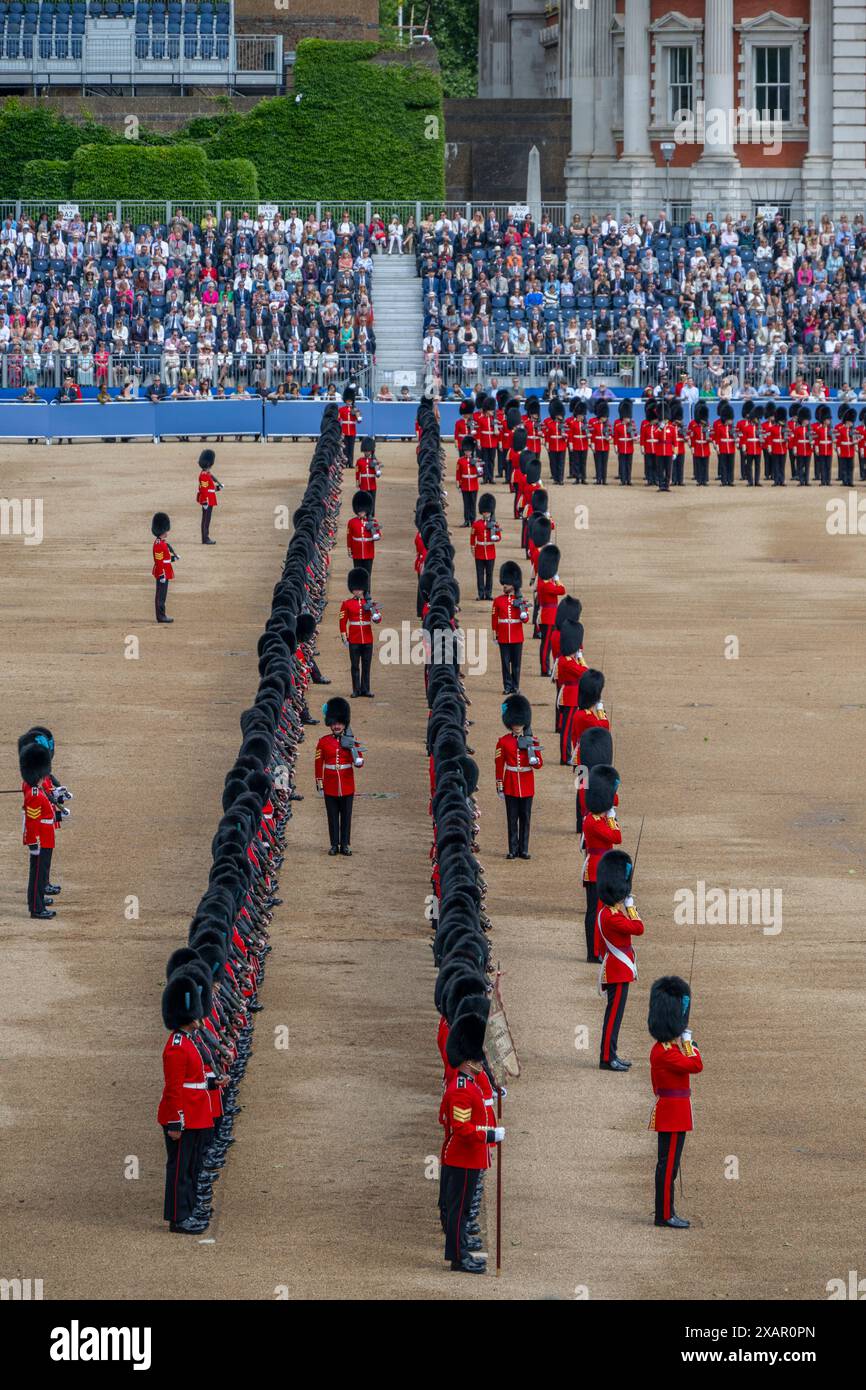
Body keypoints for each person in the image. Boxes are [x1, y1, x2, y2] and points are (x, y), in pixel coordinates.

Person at [439, 1008, 504, 1274]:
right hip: (463, 1158)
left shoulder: (469, 1084)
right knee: (459, 1211)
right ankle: (458, 1257)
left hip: (469, 1158)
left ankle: (463, 1249)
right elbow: (462, 1129)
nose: (480, 1061)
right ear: (468, 1061)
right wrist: (491, 1135)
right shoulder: (462, 1090)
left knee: (463, 1211)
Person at [158, 971, 215, 1234]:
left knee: (190, 1167)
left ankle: (189, 1210)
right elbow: (173, 1087)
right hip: (183, 1117)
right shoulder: (177, 1046)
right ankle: (178, 1219)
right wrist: (175, 1120)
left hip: (196, 1113)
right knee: (180, 1169)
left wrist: (214, 1082)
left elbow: (194, 1077)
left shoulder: (187, 1041)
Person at [648, 975, 703, 1229]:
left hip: (674, 1111)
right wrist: (689, 1042)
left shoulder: (665, 1049)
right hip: (672, 1113)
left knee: (670, 1165)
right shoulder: (666, 1053)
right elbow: (696, 1065)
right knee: (668, 1166)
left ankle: (666, 1211)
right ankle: (664, 1214)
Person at [596, 845, 643, 1070]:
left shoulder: (609, 912)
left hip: (618, 968)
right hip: (617, 970)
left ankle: (610, 1054)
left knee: (615, 1017)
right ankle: (607, 1058)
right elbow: (638, 928)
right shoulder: (612, 916)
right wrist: (632, 908)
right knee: (613, 1017)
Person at [314, 697, 364, 856]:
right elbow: (318, 764)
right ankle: (334, 844)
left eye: (339, 723)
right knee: (332, 816)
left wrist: (357, 759)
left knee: (346, 816)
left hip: (347, 784)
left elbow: (359, 761)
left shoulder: (351, 740)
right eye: (334, 723)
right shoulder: (323, 742)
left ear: (344, 723)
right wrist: (320, 785)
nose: (336, 726)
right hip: (330, 784)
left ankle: (345, 844)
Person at [495, 693, 542, 860]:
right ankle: (512, 849)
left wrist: (533, 756)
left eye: (520, 723)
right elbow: (499, 765)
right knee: (512, 818)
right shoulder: (503, 741)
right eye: (514, 723)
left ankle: (524, 849)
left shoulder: (532, 740)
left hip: (527, 782)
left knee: (525, 818)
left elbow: (539, 764)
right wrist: (500, 786)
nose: (517, 726)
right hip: (511, 783)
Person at [19, 740, 57, 920]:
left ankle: (39, 902)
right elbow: (33, 821)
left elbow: (46, 815)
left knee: (40, 873)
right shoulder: (35, 794)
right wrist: (33, 842)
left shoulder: (38, 790)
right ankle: (36, 908)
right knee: (37, 875)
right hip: (41, 840)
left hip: (46, 837)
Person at [339, 567, 381, 698]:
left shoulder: (369, 603)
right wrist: (344, 637)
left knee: (366, 666)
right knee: (355, 666)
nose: (357, 591)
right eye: (355, 589)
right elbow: (342, 622)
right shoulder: (347, 603)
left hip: (367, 638)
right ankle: (356, 689)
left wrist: (375, 615)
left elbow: (378, 619)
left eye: (359, 589)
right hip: (354, 638)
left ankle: (366, 689)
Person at [491, 560, 529, 694]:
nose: (504, 586)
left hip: (517, 635)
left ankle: (515, 686)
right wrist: (495, 634)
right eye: (504, 583)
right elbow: (494, 618)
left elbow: (525, 619)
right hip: (503, 636)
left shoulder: (520, 600)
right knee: (505, 664)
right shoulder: (498, 600)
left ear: (513, 584)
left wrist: (523, 613)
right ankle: (507, 686)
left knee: (517, 664)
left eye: (506, 583)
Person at [535, 544, 565, 677]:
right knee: (546, 645)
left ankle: (547, 667)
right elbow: (562, 590)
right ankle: (544, 668)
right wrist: (557, 579)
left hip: (549, 615)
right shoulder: (546, 584)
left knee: (548, 645)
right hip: (548, 616)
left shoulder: (544, 580)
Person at [470, 492, 499, 601]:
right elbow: (473, 537)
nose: (486, 513)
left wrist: (496, 537)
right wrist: (473, 547)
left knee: (489, 574)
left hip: (490, 551)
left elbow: (499, 536)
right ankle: (481, 593)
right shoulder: (477, 524)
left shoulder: (494, 524)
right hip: (480, 551)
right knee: (480, 574)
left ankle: (488, 593)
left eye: (488, 512)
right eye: (485, 512)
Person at [346, 489, 380, 584]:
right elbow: (349, 538)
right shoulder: (352, 522)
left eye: (363, 511)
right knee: (358, 575)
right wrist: (350, 550)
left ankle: (367, 593)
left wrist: (373, 531)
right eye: (359, 511)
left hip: (368, 552)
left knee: (368, 575)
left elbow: (378, 535)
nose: (361, 512)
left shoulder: (373, 522)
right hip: (357, 552)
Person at [151, 511, 175, 624]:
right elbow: (159, 561)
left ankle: (162, 614)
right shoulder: (159, 544)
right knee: (161, 595)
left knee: (162, 595)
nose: (167, 533)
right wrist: (161, 574)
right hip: (163, 572)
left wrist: (173, 559)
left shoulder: (161, 543)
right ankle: (161, 616)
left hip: (165, 570)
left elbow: (165, 559)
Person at [196, 447, 222, 544]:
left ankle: (206, 537)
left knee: (207, 519)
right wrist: (204, 501)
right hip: (207, 500)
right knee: (206, 520)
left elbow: (210, 489)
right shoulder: (203, 475)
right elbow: (203, 490)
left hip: (210, 499)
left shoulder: (206, 474)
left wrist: (218, 488)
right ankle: (205, 538)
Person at [456, 434, 482, 527]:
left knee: (473, 503)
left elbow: (480, 474)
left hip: (474, 485)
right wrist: (459, 485)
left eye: (469, 451)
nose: (468, 452)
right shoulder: (460, 461)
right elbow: (458, 474)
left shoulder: (475, 460)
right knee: (466, 504)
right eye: (466, 451)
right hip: (465, 485)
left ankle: (473, 520)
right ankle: (467, 520)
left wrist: (477, 466)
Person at [543, 397, 568, 485]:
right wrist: (547, 444)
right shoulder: (549, 422)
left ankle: (560, 479)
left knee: (561, 462)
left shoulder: (564, 423)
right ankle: (555, 478)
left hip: (561, 444)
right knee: (553, 462)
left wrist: (565, 436)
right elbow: (546, 435)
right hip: (552, 444)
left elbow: (569, 433)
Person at [355, 435, 380, 514]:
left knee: (372, 500)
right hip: (364, 484)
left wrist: (377, 469)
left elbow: (378, 473)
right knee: (364, 501)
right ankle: (365, 513)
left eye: (368, 451)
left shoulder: (374, 460)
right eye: (365, 451)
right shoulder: (359, 461)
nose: (367, 452)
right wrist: (357, 481)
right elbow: (357, 472)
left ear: (371, 451)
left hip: (372, 484)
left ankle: (371, 514)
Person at [566, 398, 589, 484]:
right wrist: (571, 444)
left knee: (583, 462)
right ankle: (577, 478)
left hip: (584, 445)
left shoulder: (585, 424)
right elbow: (570, 435)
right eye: (579, 416)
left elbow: (589, 435)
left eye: (582, 416)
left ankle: (583, 478)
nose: (581, 417)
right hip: (576, 444)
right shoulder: (573, 423)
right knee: (576, 462)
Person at [613, 398, 636, 485]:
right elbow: (616, 437)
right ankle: (623, 480)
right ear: (623, 417)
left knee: (628, 465)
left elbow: (635, 434)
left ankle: (628, 480)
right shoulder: (618, 424)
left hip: (629, 446)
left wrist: (635, 437)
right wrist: (616, 447)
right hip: (622, 447)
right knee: (622, 464)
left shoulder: (632, 423)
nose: (628, 419)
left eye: (629, 417)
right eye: (627, 417)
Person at [338, 383, 360, 467]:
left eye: (350, 400)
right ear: (345, 400)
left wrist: (356, 415)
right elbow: (339, 419)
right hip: (344, 431)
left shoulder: (355, 409)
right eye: (347, 400)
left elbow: (359, 421)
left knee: (351, 448)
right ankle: (344, 462)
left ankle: (350, 463)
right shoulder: (341, 409)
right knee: (345, 448)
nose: (349, 402)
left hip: (352, 431)